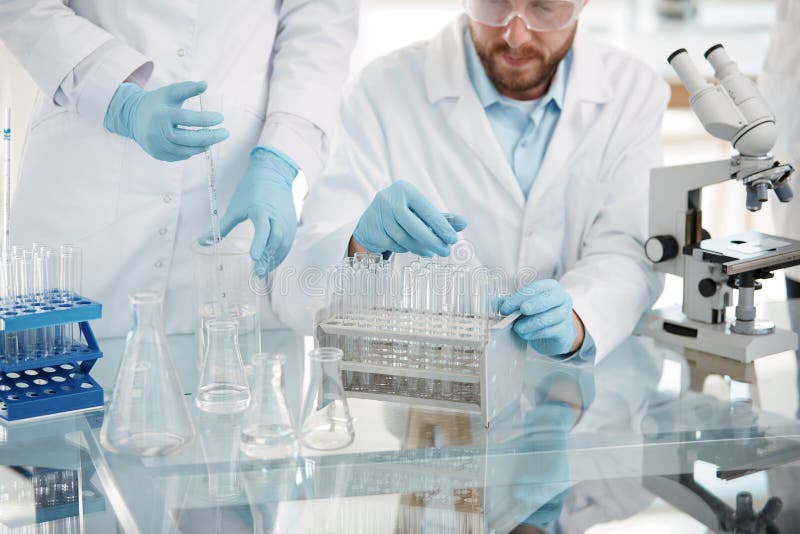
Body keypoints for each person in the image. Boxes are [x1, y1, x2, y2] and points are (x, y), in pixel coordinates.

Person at [273, 0, 667, 363]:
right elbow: (296, 298)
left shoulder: (633, 93)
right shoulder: (380, 92)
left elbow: (628, 250)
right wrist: (358, 248)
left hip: (576, 398)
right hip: (432, 397)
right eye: (494, 3)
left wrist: (580, 318)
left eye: (544, 7)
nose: (515, 34)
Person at [0, 1, 358, 336]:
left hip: (232, 173)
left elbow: (322, 23)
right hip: (88, 159)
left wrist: (280, 157)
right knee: (56, 370)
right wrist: (117, 100)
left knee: (234, 374)